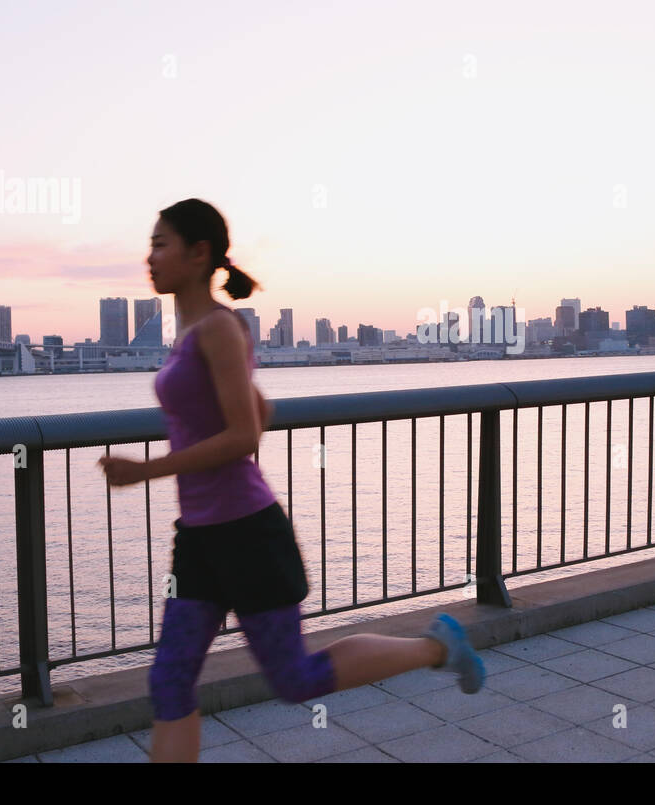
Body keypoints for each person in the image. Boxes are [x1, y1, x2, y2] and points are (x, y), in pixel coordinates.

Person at [97, 198, 485, 763]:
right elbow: (261, 412)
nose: (148, 257)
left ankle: (437, 648)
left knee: (296, 679)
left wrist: (146, 470)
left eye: (160, 244)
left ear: (198, 253)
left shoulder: (218, 331)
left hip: (248, 535)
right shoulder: (193, 335)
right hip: (201, 537)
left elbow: (244, 438)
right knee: (170, 681)